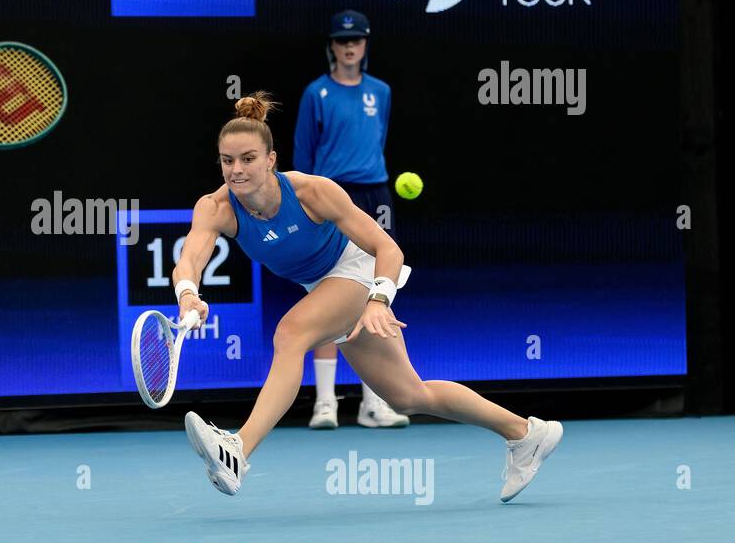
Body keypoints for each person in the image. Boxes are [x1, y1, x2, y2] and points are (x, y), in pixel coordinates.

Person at [174, 93, 563, 502]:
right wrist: (187, 295)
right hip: (323, 287)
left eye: (248, 159)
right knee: (410, 395)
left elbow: (388, 249)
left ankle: (238, 449)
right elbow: (190, 260)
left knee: (290, 334)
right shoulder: (215, 207)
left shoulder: (312, 192)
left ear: (271, 159)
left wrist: (378, 299)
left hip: (359, 271)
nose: (236, 170)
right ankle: (526, 433)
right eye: (227, 160)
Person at [295, 9, 405, 428]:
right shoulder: (315, 94)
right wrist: (305, 204)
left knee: (376, 290)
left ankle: (374, 403)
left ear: (364, 46)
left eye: (356, 40)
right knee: (327, 293)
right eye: (342, 41)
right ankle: (326, 402)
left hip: (374, 193)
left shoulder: (382, 91)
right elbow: (303, 154)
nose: (349, 47)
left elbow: (376, 142)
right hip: (329, 196)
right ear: (332, 47)